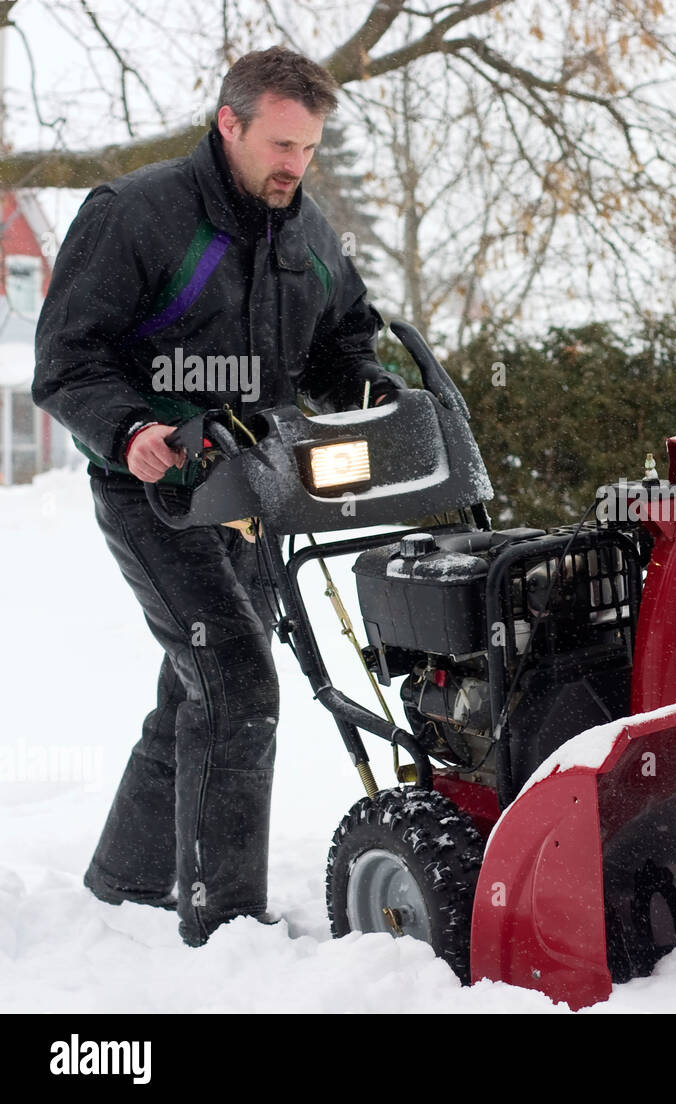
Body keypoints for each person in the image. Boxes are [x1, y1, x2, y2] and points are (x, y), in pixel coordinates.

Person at [32, 46, 404, 946]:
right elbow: (64, 362)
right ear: (227, 124)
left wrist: (377, 394)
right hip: (155, 492)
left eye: (309, 149)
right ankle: (226, 923)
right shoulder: (135, 215)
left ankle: (124, 877)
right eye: (281, 145)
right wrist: (129, 430)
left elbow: (342, 345)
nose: (295, 166)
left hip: (259, 493)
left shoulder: (308, 234)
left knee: (196, 686)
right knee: (238, 685)